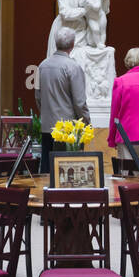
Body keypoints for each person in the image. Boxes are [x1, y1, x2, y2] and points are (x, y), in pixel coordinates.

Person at [36, 27, 90, 176]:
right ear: (72, 44)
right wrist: (86, 122)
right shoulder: (73, 67)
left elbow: (38, 97)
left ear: (56, 43)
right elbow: (79, 102)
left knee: (47, 171)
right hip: (67, 128)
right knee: (67, 172)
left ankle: (45, 197)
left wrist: (46, 115)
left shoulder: (42, 66)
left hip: (47, 126)